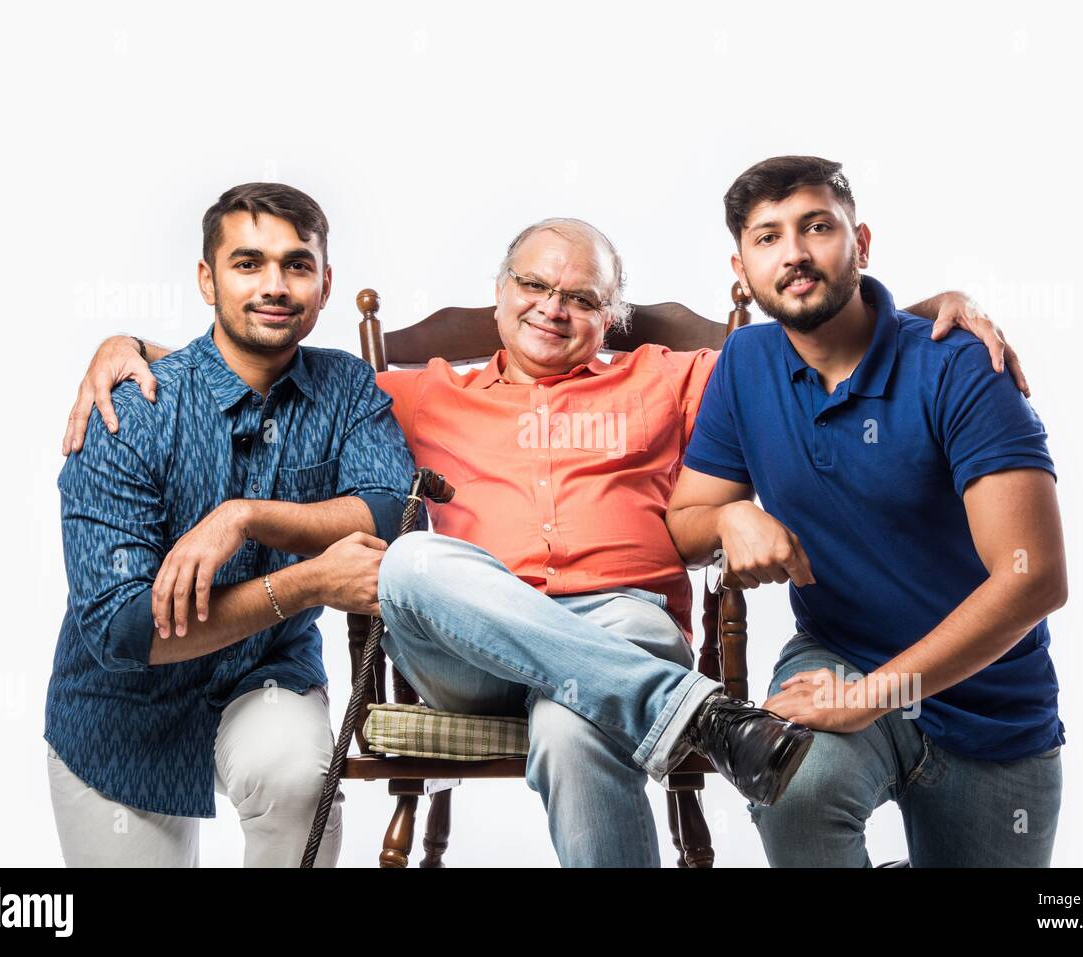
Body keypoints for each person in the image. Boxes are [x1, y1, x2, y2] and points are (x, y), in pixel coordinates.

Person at [65, 212, 1026, 868]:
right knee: (411, 558)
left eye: (581, 296)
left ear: (611, 310)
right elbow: (275, 359)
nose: (552, 307)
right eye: (532, 283)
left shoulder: (677, 376)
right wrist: (130, 347)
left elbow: (812, 329)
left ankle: (658, 704)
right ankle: (703, 717)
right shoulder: (415, 390)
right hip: (464, 641)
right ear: (499, 293)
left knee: (575, 727)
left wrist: (928, 309)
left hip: (619, 623)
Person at [666, 156, 1066, 867]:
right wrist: (731, 519)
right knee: (794, 785)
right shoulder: (746, 363)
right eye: (767, 238)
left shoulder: (960, 366)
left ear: (862, 242)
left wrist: (877, 695)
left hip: (990, 703)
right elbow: (689, 516)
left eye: (817, 227)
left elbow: (1033, 578)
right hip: (839, 656)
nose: (793, 253)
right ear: (741, 266)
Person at [47, 182, 415, 866]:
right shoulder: (130, 412)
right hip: (118, 714)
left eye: (296, 264)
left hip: (267, 675)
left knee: (298, 778)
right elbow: (123, 629)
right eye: (248, 263)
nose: (274, 285)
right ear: (206, 278)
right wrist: (307, 581)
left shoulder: (346, 389)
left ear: (325, 282)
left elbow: (393, 511)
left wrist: (244, 517)